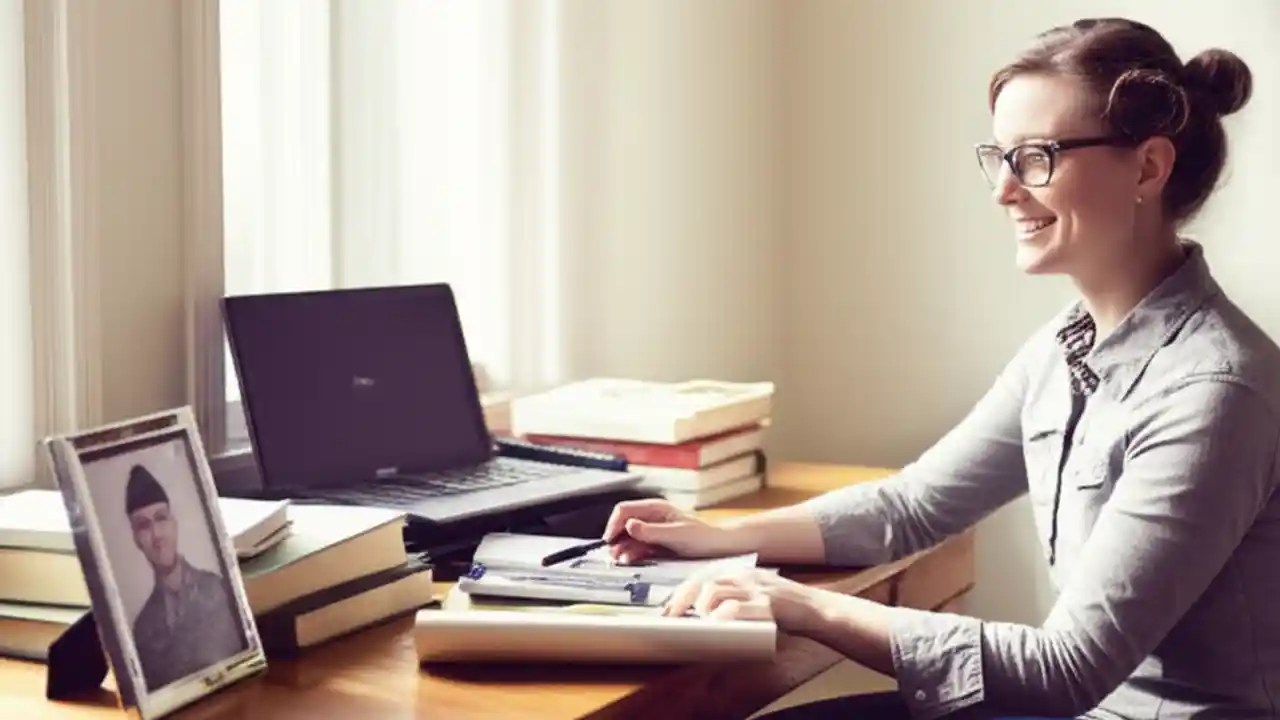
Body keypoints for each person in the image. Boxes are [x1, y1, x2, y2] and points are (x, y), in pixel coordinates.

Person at [604, 18, 1277, 720]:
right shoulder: (1064, 349)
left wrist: (801, 606)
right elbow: (913, 507)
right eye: (1002, 158)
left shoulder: (1215, 393)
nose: (1006, 191)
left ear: (1148, 167)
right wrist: (719, 536)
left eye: (1038, 157)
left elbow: (1063, 670)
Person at [125, 463, 245, 690]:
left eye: (161, 518)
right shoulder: (143, 629)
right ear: (135, 539)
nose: (156, 535)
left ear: (174, 523)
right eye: (143, 526)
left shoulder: (218, 589)